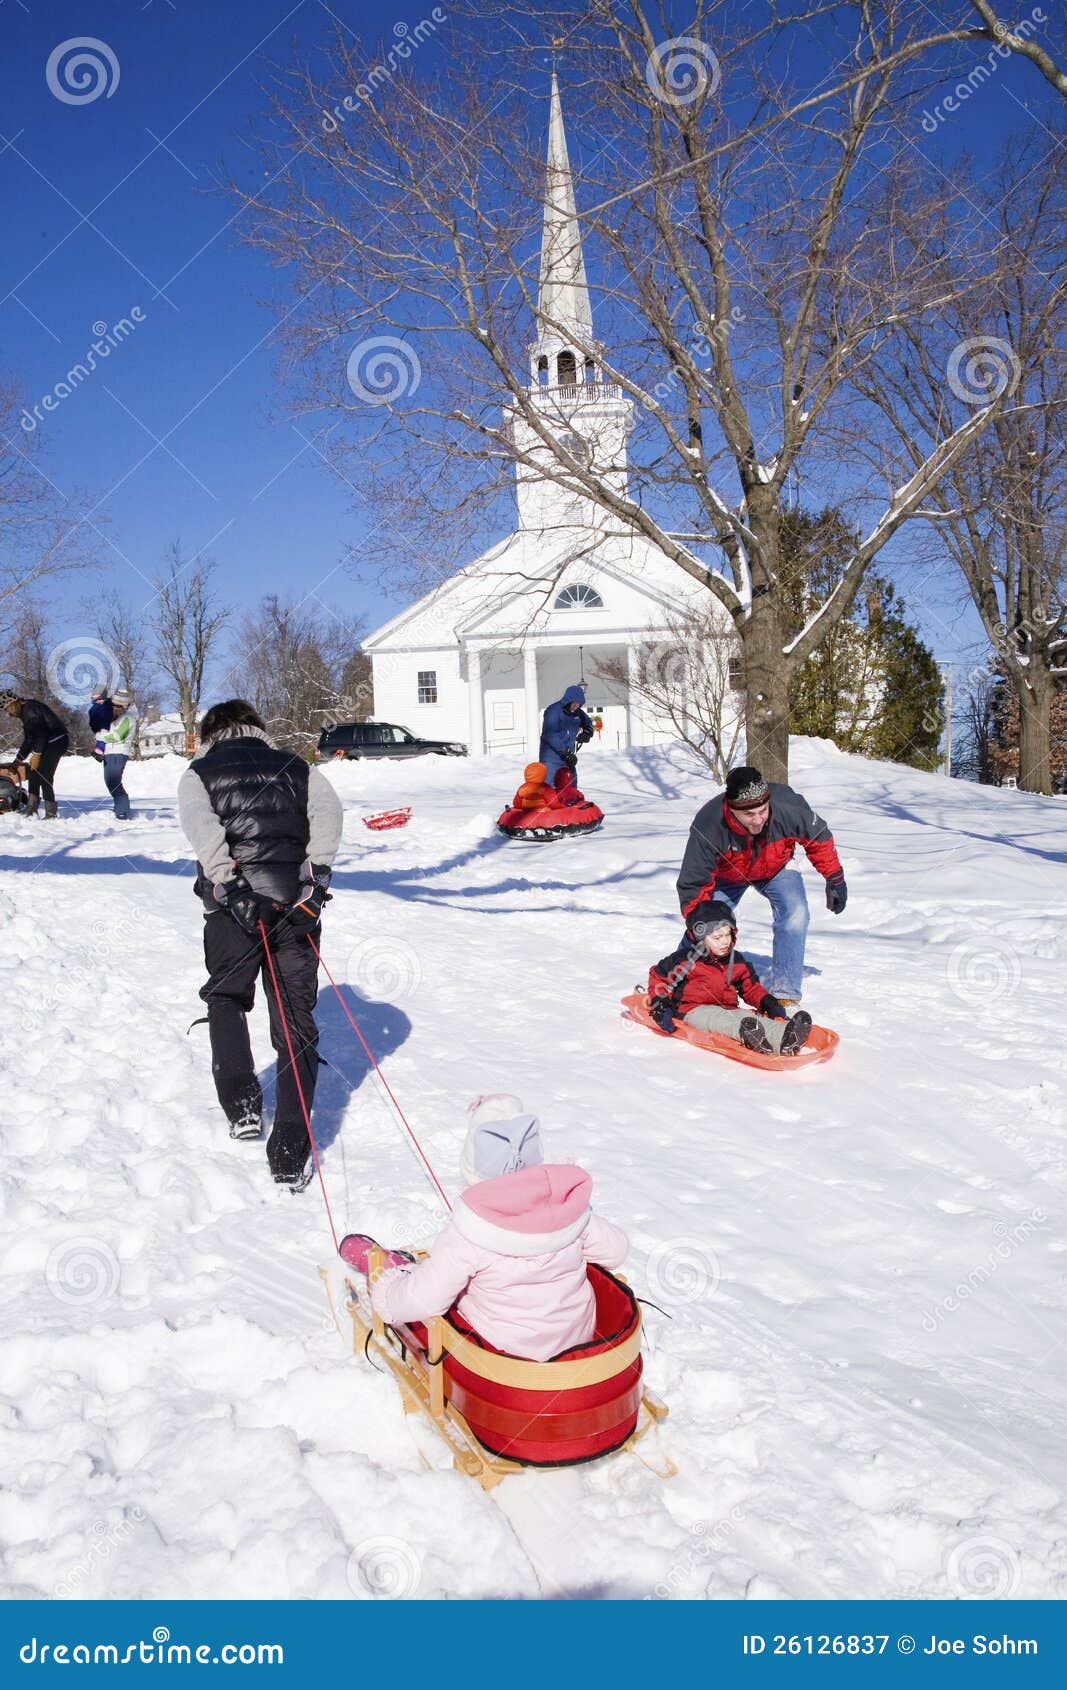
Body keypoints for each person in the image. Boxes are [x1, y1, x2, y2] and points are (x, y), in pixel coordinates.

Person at [176, 698, 343, 1188]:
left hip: (231, 912)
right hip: (295, 908)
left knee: (226, 998)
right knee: (295, 1020)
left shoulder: (198, 773)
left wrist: (232, 886)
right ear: (256, 729)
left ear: (213, 733)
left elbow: (203, 833)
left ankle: (242, 1105)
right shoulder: (299, 767)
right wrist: (314, 884)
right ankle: (291, 1147)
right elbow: (328, 818)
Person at [340, 1095, 628, 1362]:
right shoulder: (570, 1214)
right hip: (577, 1342)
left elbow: (423, 1300)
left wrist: (386, 1292)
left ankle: (395, 1268)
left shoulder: (470, 1236)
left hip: (502, 1358)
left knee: (440, 1290)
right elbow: (615, 1252)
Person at [676, 765, 846, 1005]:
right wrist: (701, 919)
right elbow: (694, 881)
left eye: (763, 811)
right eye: (749, 815)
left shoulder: (788, 806)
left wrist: (835, 877)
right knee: (708, 924)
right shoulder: (709, 822)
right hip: (728, 875)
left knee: (796, 914)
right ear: (732, 810)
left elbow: (818, 838)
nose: (758, 819)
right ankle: (677, 979)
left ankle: (785, 993)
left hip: (776, 868)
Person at [648, 898, 812, 1056]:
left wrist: (767, 1002)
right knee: (721, 1021)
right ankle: (750, 1037)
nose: (725, 941)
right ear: (700, 939)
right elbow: (658, 977)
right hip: (693, 1011)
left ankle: (784, 1037)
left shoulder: (736, 960)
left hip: (729, 1008)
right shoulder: (685, 959)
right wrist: (660, 1004)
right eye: (717, 937)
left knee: (747, 1017)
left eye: (728, 934)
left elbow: (751, 988)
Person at [0, 690, 69, 819]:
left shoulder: (30, 710)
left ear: (13, 703)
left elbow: (41, 734)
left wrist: (37, 754)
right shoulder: (25, 712)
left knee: (44, 774)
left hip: (57, 741)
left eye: (7, 708)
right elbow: (29, 739)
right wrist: (18, 760)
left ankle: (51, 812)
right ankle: (32, 809)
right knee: (33, 772)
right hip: (46, 742)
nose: (8, 713)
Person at [539, 684, 594, 783]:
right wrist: (566, 753)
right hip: (551, 759)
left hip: (568, 759)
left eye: (578, 705)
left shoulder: (578, 713)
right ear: (568, 701)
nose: (575, 707)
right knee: (549, 790)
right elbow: (549, 734)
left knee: (571, 790)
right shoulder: (553, 711)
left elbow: (588, 723)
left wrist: (587, 732)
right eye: (574, 704)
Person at [98, 690, 136, 820]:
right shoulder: (113, 717)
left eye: (120, 706)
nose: (116, 708)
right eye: (114, 704)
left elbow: (118, 735)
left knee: (113, 781)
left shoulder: (128, 718)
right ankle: (120, 807)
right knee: (110, 781)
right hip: (109, 753)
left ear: (126, 706)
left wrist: (101, 736)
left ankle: (122, 811)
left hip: (119, 752)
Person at [88, 691, 114, 762]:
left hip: (104, 727)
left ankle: (99, 752)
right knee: (102, 739)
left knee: (102, 739)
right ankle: (99, 752)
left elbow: (92, 721)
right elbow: (93, 720)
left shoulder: (96, 708)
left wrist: (95, 728)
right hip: (105, 727)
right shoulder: (109, 705)